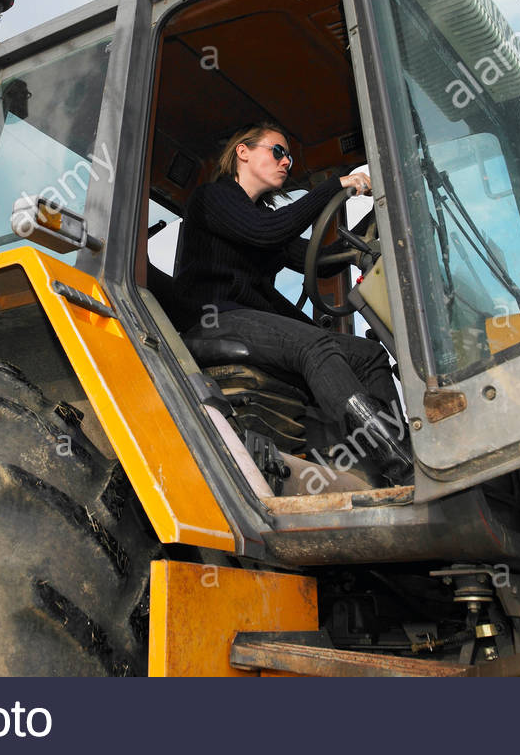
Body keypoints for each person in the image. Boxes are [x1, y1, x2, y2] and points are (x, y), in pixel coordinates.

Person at [175, 123, 413, 486]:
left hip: (249, 319)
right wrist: (338, 186)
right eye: (277, 151)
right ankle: (399, 467)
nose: (286, 161)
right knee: (314, 345)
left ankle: (403, 447)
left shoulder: (263, 219)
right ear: (243, 152)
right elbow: (264, 232)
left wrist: (372, 223)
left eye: (288, 155)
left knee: (369, 354)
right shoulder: (213, 199)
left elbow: (316, 259)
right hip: (213, 318)